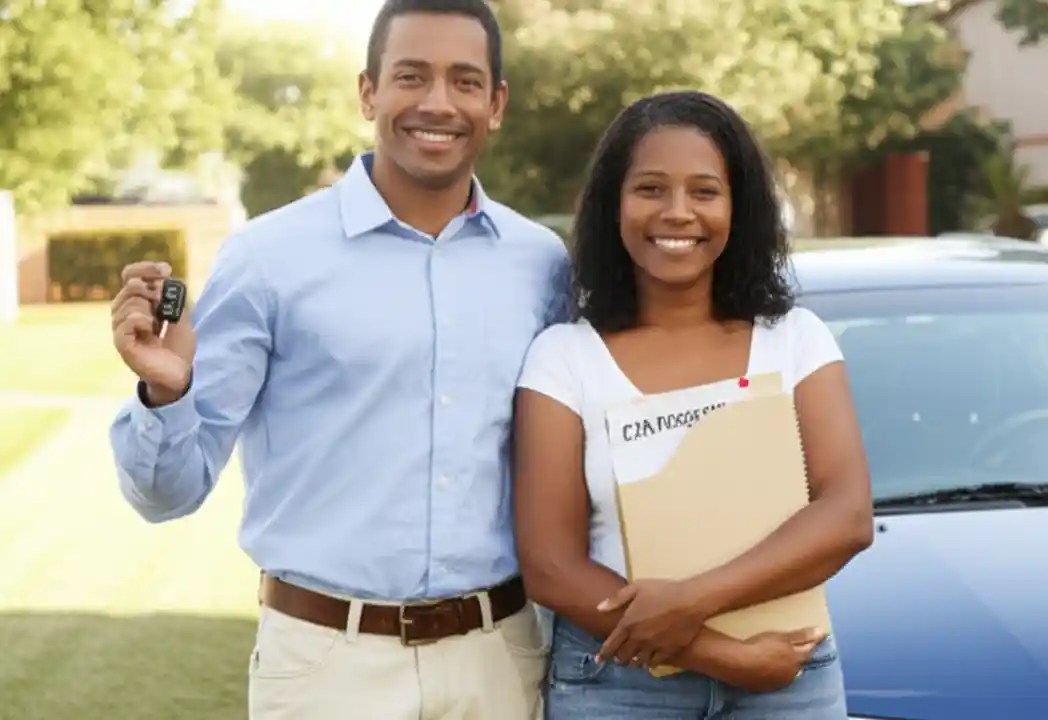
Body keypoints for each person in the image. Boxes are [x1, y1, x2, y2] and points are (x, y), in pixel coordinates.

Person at [106, 1, 567, 718]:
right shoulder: (267, 259)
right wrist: (167, 396)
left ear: (496, 103)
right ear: (368, 92)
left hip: (499, 662)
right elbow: (169, 494)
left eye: (465, 81)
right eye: (411, 76)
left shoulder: (541, 265)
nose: (437, 103)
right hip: (325, 671)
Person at [512, 90, 875, 718]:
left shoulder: (794, 340)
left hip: (789, 669)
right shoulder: (563, 357)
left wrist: (690, 600)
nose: (677, 212)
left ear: (738, 206)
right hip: (619, 681)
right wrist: (723, 654)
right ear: (612, 205)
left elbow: (846, 516)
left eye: (704, 191)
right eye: (651, 189)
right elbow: (551, 564)